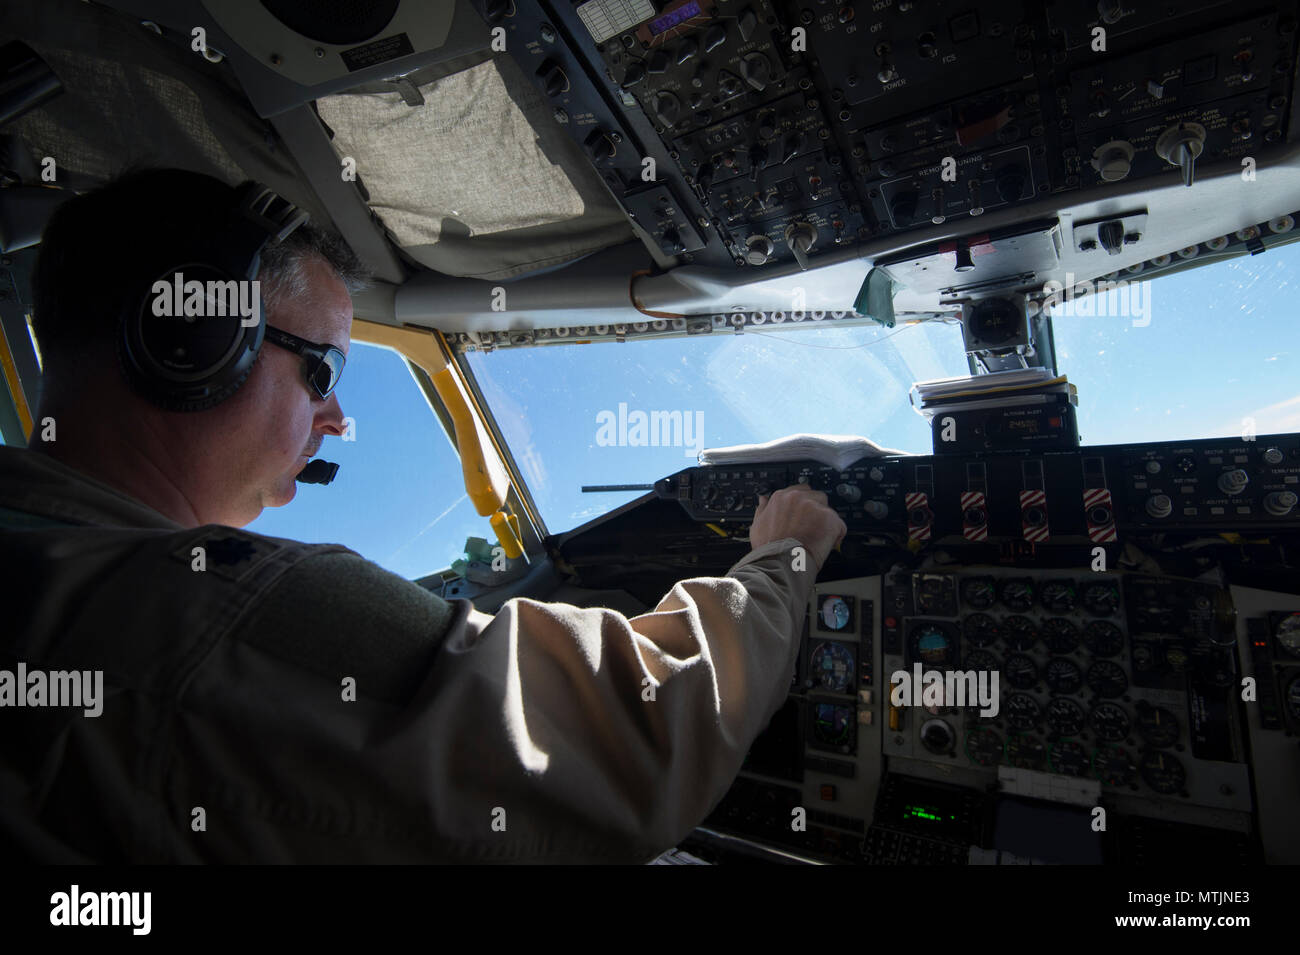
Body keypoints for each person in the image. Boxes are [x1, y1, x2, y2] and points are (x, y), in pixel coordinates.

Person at [0, 168, 847, 863]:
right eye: (323, 372)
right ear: (189, 340)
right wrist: (785, 557)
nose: (335, 420)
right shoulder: (215, 606)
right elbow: (643, 731)